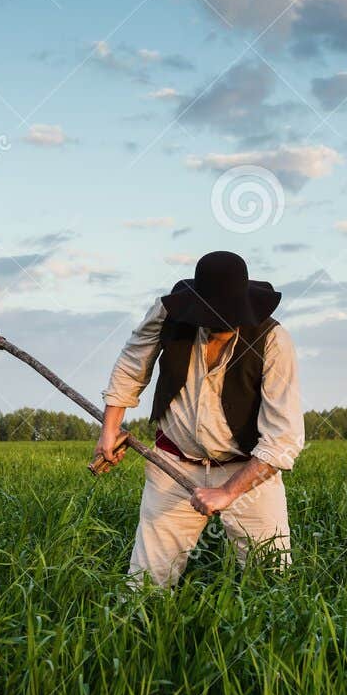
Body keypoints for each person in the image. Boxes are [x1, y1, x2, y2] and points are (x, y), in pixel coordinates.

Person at [93, 251, 304, 587]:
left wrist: (227, 492)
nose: (221, 326)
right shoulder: (168, 314)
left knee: (271, 583)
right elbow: (133, 363)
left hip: (247, 470)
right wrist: (110, 430)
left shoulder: (274, 340)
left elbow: (284, 439)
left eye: (230, 317)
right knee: (146, 585)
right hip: (173, 466)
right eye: (212, 317)